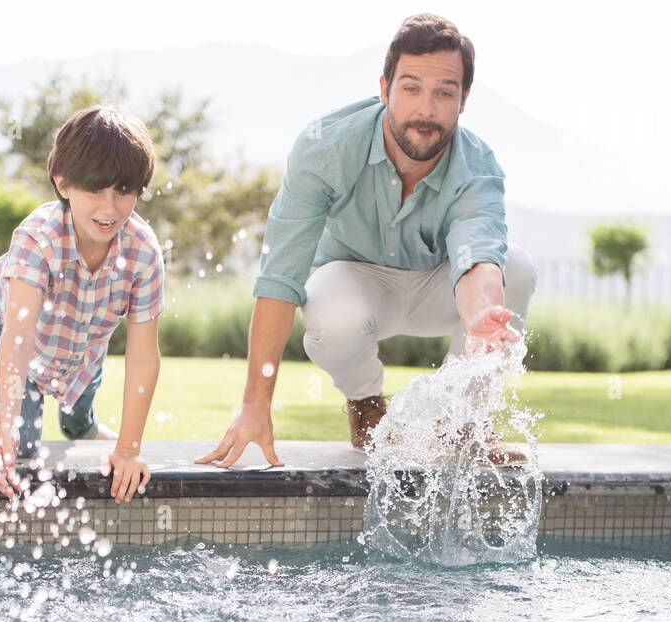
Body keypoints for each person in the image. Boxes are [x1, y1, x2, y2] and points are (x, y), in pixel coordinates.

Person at [196, 13, 537, 471]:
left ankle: (463, 424)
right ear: (384, 88)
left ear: (463, 100)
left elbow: (479, 259)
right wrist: (256, 404)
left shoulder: (478, 167)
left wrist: (481, 319)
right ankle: (365, 405)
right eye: (411, 88)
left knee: (516, 268)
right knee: (329, 307)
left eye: (444, 93)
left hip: (440, 284)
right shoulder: (324, 148)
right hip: (357, 281)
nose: (426, 109)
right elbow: (280, 276)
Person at [0, 105, 164, 503]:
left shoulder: (143, 251)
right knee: (23, 446)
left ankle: (15, 409)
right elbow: (18, 340)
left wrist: (128, 450)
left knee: (79, 424)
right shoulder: (37, 239)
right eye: (95, 189)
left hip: (85, 339)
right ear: (62, 183)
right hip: (15, 324)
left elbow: (143, 355)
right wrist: (4, 432)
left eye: (123, 191)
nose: (109, 208)